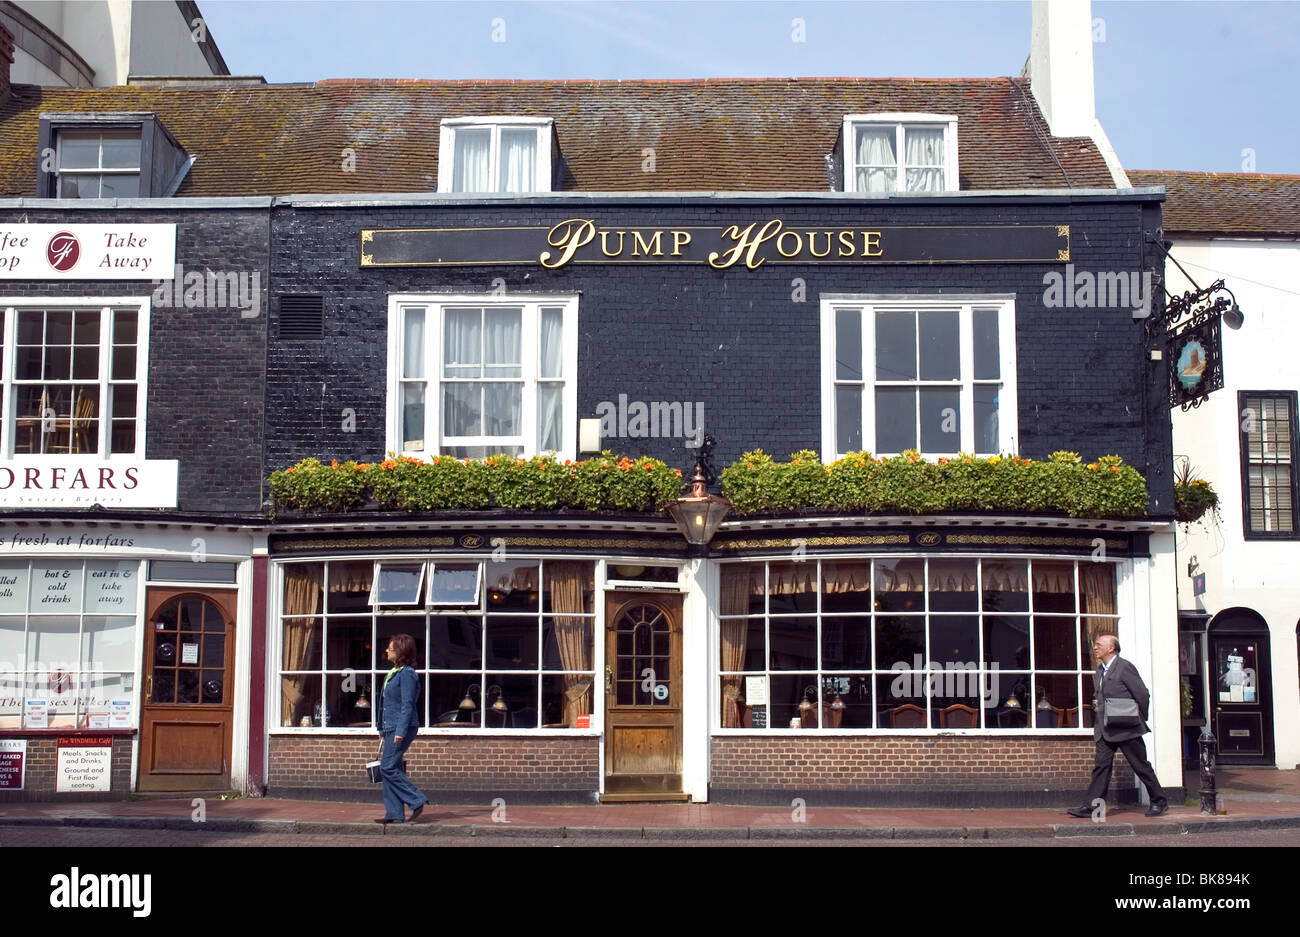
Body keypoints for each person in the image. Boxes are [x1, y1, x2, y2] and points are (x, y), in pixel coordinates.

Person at [1067, 634, 1168, 818]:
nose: (1095, 648)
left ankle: (1159, 801)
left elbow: (1142, 694)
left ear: (1111, 648)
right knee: (1101, 767)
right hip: (1105, 729)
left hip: (1126, 728)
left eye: (1099, 645)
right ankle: (1092, 807)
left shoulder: (1124, 667)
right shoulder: (1100, 670)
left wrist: (1138, 717)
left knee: (1140, 766)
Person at [374, 633, 429, 824]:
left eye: (390, 647)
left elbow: (407, 704)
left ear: (401, 651)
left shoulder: (407, 674)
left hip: (402, 727)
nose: (387, 650)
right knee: (393, 767)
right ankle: (394, 814)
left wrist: (400, 731)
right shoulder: (393, 673)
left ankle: (416, 799)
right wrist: (381, 728)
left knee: (386, 767)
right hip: (390, 726)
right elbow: (385, 703)